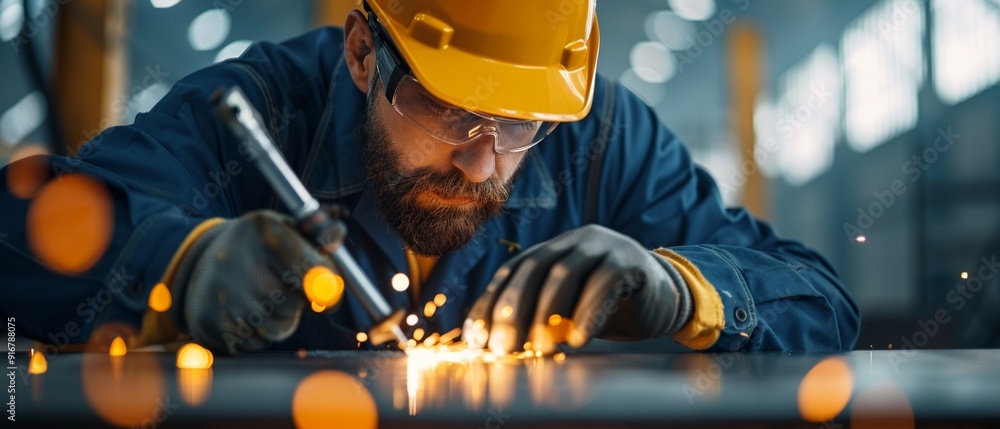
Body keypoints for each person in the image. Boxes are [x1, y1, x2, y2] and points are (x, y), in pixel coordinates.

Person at [0, 0, 859, 355]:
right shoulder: (256, 110)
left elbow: (822, 303)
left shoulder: (598, 136)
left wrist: (682, 288)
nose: (485, 159)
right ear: (365, 51)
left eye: (517, 122)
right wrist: (175, 263)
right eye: (450, 110)